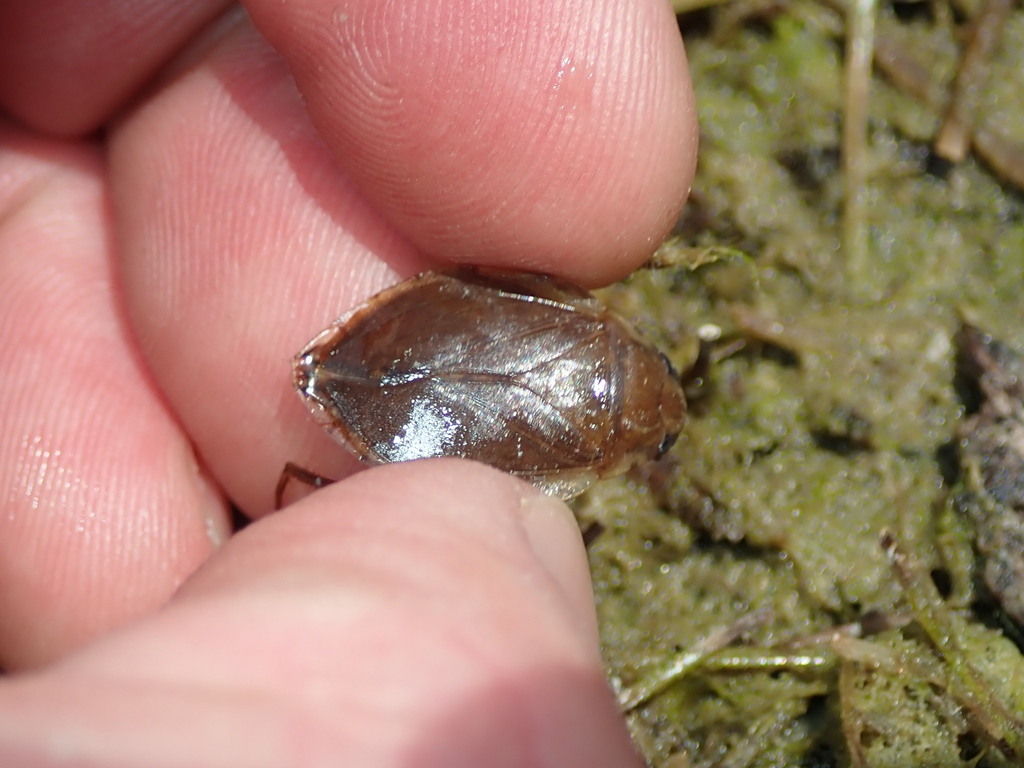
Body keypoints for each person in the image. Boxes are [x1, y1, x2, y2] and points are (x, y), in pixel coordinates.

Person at [0, 1, 697, 764]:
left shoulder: (593, 328)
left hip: (409, 346)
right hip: (398, 376)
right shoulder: (588, 458)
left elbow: (503, 281)